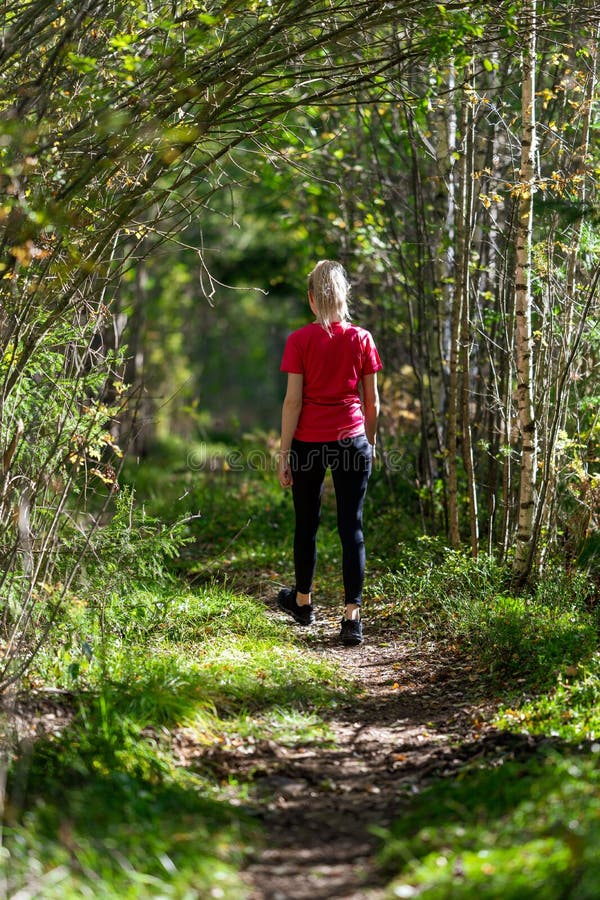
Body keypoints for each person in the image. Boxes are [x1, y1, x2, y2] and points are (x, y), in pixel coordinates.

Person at [277, 260, 382, 646]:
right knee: (350, 526)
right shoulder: (362, 338)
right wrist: (368, 444)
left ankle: (303, 603)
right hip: (351, 440)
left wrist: (284, 453)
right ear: (344, 297)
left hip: (307, 443)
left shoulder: (299, 340)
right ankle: (352, 616)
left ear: (311, 300)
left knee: (307, 523)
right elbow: (372, 403)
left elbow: (292, 402)